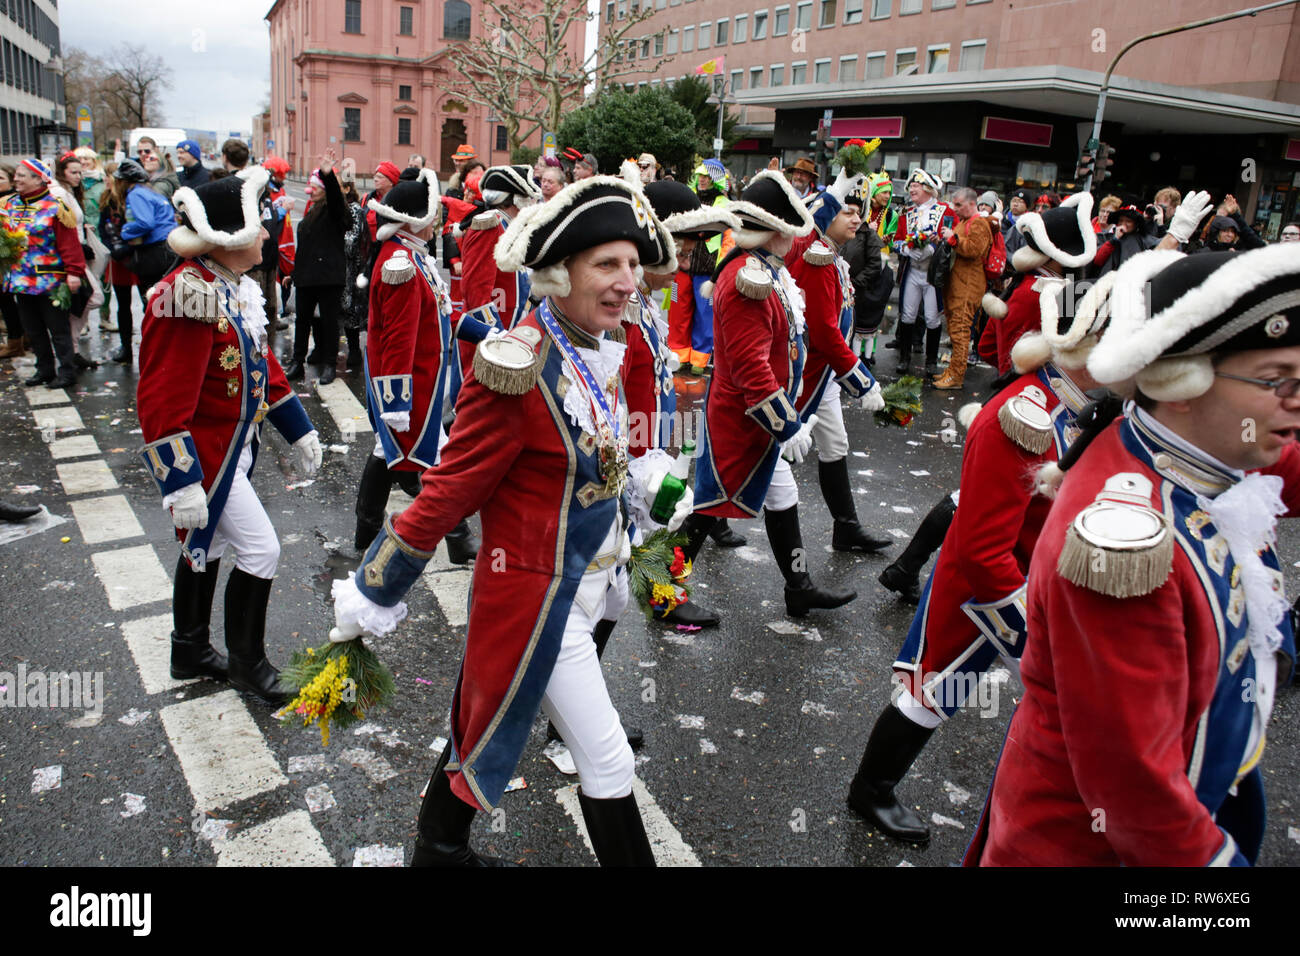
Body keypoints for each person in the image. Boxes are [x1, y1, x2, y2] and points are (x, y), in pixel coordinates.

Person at [330, 172, 684, 867]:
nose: (627, 282)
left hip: (584, 583)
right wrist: (372, 590)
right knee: (606, 761)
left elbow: (602, 456)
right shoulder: (517, 367)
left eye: (634, 265)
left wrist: (649, 484)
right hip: (534, 599)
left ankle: (438, 847)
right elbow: (448, 491)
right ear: (560, 272)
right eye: (607, 265)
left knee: (489, 719)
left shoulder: (596, 345)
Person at [968, 244, 1300, 866]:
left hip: (1205, 773)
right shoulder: (1120, 540)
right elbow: (1133, 792)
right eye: (1278, 380)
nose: (1297, 400)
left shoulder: (1215, 439)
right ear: (1181, 382)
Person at [849, 258, 1126, 845]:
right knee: (933, 693)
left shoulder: (1085, 406)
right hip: (990, 592)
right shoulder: (1023, 416)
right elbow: (980, 548)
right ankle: (870, 790)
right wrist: (1033, 627)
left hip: (1039, 580)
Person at [137, 166, 323, 706]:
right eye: (259, 224)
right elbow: (161, 398)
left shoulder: (227, 284)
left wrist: (297, 428)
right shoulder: (187, 293)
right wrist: (180, 481)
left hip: (233, 446)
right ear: (230, 234)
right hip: (206, 456)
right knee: (261, 549)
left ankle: (189, 649)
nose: (267, 233)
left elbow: (260, 363)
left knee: (210, 545)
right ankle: (248, 665)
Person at [681, 170, 858, 619]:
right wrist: (787, 425)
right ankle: (663, 587)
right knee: (707, 505)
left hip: (760, 420)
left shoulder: (765, 260)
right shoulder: (748, 279)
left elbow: (809, 230)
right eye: (787, 227)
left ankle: (799, 586)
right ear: (773, 230)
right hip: (744, 421)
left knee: (782, 498)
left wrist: (835, 193)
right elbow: (750, 370)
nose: (795, 236)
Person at [353, 167, 482, 563]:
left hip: (422, 381)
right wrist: (395, 402)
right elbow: (398, 339)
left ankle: (367, 527)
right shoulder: (400, 265)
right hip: (412, 386)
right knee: (432, 465)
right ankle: (457, 539)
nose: (438, 224)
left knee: (386, 452)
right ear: (415, 221)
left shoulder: (411, 256)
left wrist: (484, 334)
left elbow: (441, 317)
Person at [789, 177, 889, 551]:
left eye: (859, 212)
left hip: (825, 374)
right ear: (826, 213)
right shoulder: (817, 258)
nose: (856, 219)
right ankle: (703, 525)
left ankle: (846, 527)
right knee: (766, 453)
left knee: (835, 445)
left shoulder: (831, 255)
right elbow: (826, 332)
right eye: (847, 210)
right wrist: (862, 381)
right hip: (806, 374)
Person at [3, 159, 87, 388]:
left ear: (38, 179)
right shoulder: (10, 204)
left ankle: (67, 372)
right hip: (20, 279)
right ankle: (45, 370)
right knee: (33, 329)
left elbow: (69, 243)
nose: (16, 179)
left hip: (50, 279)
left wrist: (74, 273)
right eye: (16, 175)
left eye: (22, 175)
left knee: (58, 329)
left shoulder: (55, 206)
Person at [97, 159, 177, 365]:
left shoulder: (136, 194)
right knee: (157, 302)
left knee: (154, 302)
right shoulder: (148, 193)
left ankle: (159, 351)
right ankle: (160, 350)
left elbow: (145, 222)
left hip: (150, 252)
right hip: (155, 250)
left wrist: (124, 232)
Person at [286, 152, 349, 385]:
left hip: (328, 277)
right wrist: (293, 275)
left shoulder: (334, 211)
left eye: (315, 186)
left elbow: (335, 197)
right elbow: (305, 248)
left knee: (329, 322)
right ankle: (296, 363)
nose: (310, 191)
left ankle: (329, 365)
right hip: (305, 277)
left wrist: (327, 174)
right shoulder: (309, 213)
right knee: (302, 321)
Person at [667, 159, 734, 374]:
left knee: (705, 314)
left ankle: (700, 357)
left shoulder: (724, 204)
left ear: (715, 179)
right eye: (700, 176)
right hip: (682, 267)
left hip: (707, 270)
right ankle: (678, 353)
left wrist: (720, 269)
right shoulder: (687, 197)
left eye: (707, 176)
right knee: (677, 310)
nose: (702, 180)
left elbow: (729, 241)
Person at [457, 164, 539, 334]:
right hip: (492, 336)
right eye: (528, 198)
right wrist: (495, 334)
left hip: (512, 325)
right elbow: (476, 293)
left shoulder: (509, 226)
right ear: (517, 200)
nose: (532, 203)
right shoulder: (490, 225)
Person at [932, 186, 995, 390]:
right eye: (954, 204)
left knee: (960, 331)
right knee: (954, 329)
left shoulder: (978, 224)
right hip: (957, 284)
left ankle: (956, 376)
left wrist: (952, 238)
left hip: (968, 286)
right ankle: (952, 370)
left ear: (971, 204)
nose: (955, 208)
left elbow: (974, 249)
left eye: (959, 205)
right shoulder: (967, 222)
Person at [891, 169, 952, 374]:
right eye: (911, 187)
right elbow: (896, 240)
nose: (912, 190)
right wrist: (906, 249)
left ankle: (931, 361)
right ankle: (905, 358)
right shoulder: (906, 213)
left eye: (916, 186)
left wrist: (933, 248)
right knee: (907, 315)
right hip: (913, 272)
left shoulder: (946, 211)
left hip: (933, 275)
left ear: (928, 188)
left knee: (933, 318)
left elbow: (952, 238)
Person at [51, 152, 101, 370]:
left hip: (78, 251)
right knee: (92, 297)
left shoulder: (69, 191)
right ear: (62, 173)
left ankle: (72, 350)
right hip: (72, 255)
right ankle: (69, 349)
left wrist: (83, 229)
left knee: (85, 300)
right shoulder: (59, 193)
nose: (79, 176)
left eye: (80, 172)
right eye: (74, 172)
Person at [0, 163, 26, 358]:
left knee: (8, 300)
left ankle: (17, 340)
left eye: (1, 178)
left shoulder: (12, 201)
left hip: (12, 257)